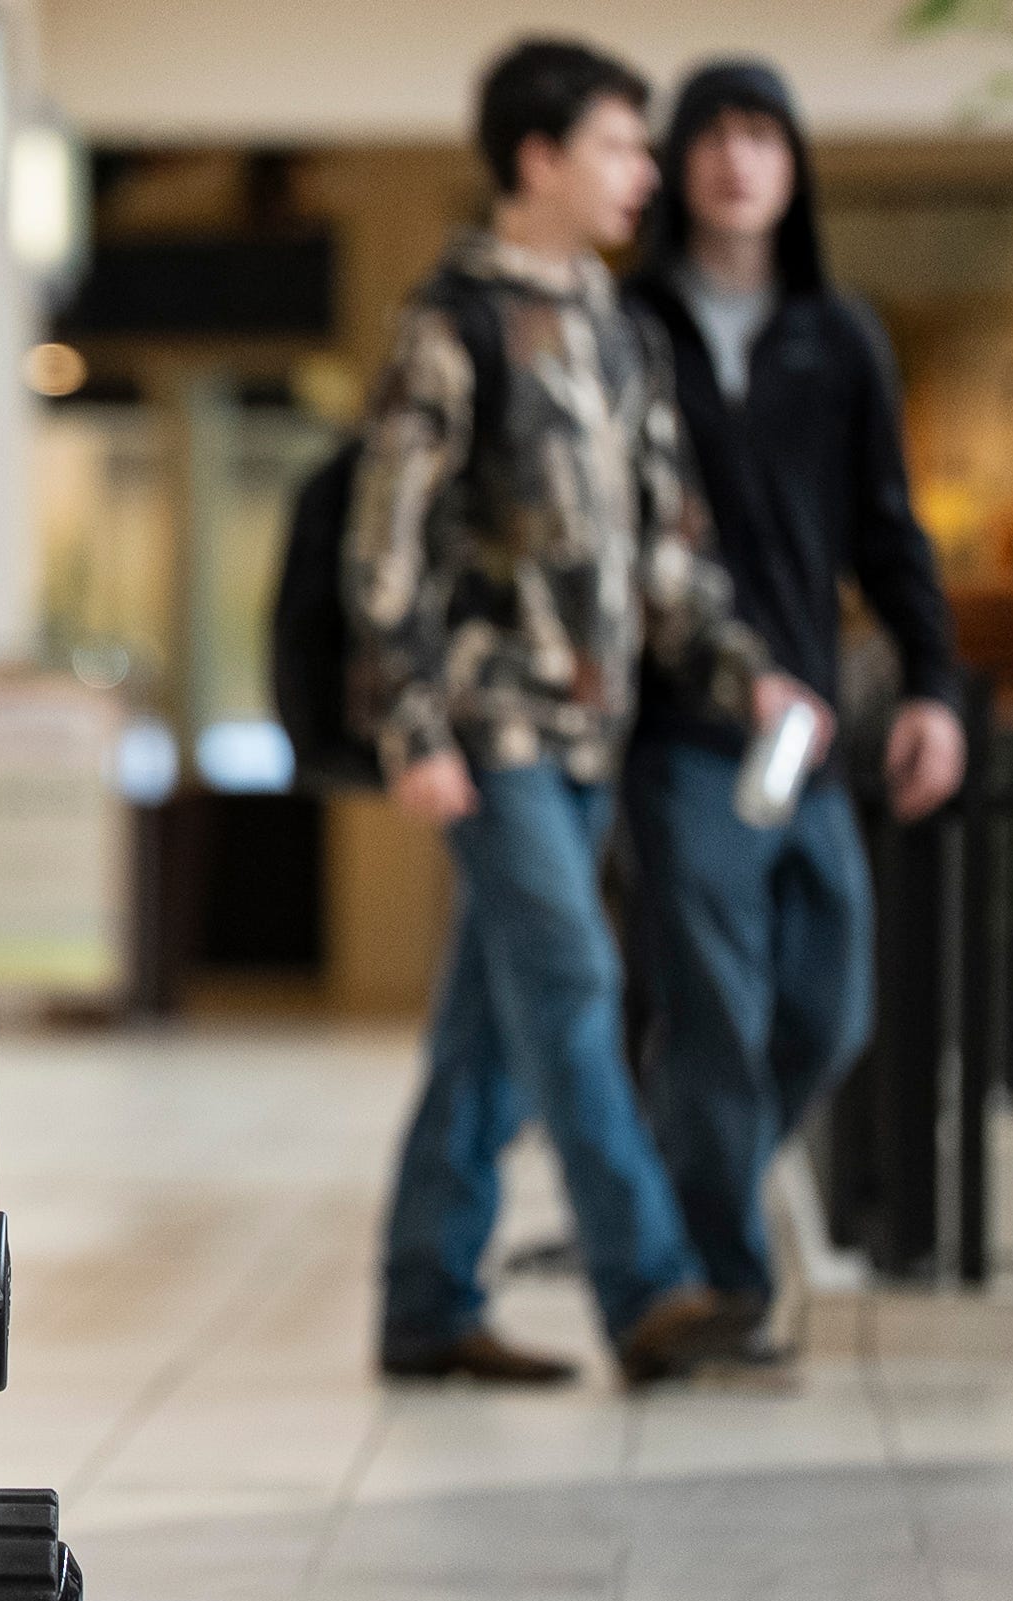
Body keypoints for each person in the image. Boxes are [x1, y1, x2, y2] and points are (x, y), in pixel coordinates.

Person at [354, 38, 822, 1388]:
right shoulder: (451, 324)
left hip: (590, 739)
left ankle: (424, 1303)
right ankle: (652, 1291)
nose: (648, 172)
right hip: (491, 733)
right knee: (575, 987)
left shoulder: (622, 338)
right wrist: (413, 728)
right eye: (621, 145)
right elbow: (384, 549)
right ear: (539, 159)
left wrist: (753, 675)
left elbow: (666, 556)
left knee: (487, 1036)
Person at [623, 60, 966, 1366]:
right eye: (709, 136)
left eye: (761, 134)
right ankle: (729, 1278)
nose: (735, 159)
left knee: (830, 1006)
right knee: (714, 1008)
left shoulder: (840, 335)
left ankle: (678, 1189)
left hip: (808, 738)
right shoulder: (629, 326)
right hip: (680, 734)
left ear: (793, 164)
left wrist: (932, 686)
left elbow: (890, 529)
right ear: (675, 163)